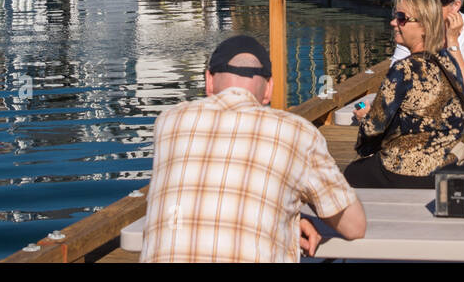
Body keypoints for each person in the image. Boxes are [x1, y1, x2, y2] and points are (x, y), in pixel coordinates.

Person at [141, 35, 366, 262]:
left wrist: (280, 218)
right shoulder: (296, 133)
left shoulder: (169, 122)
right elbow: (354, 226)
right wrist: (287, 221)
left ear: (209, 81)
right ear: (268, 89)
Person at [345, 0, 464, 188]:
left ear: (424, 27)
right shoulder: (449, 62)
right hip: (448, 165)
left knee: (352, 173)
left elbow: (373, 127)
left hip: (409, 170)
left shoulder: (404, 69)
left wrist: (363, 119)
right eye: (395, 16)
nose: (394, 22)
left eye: (401, 18)